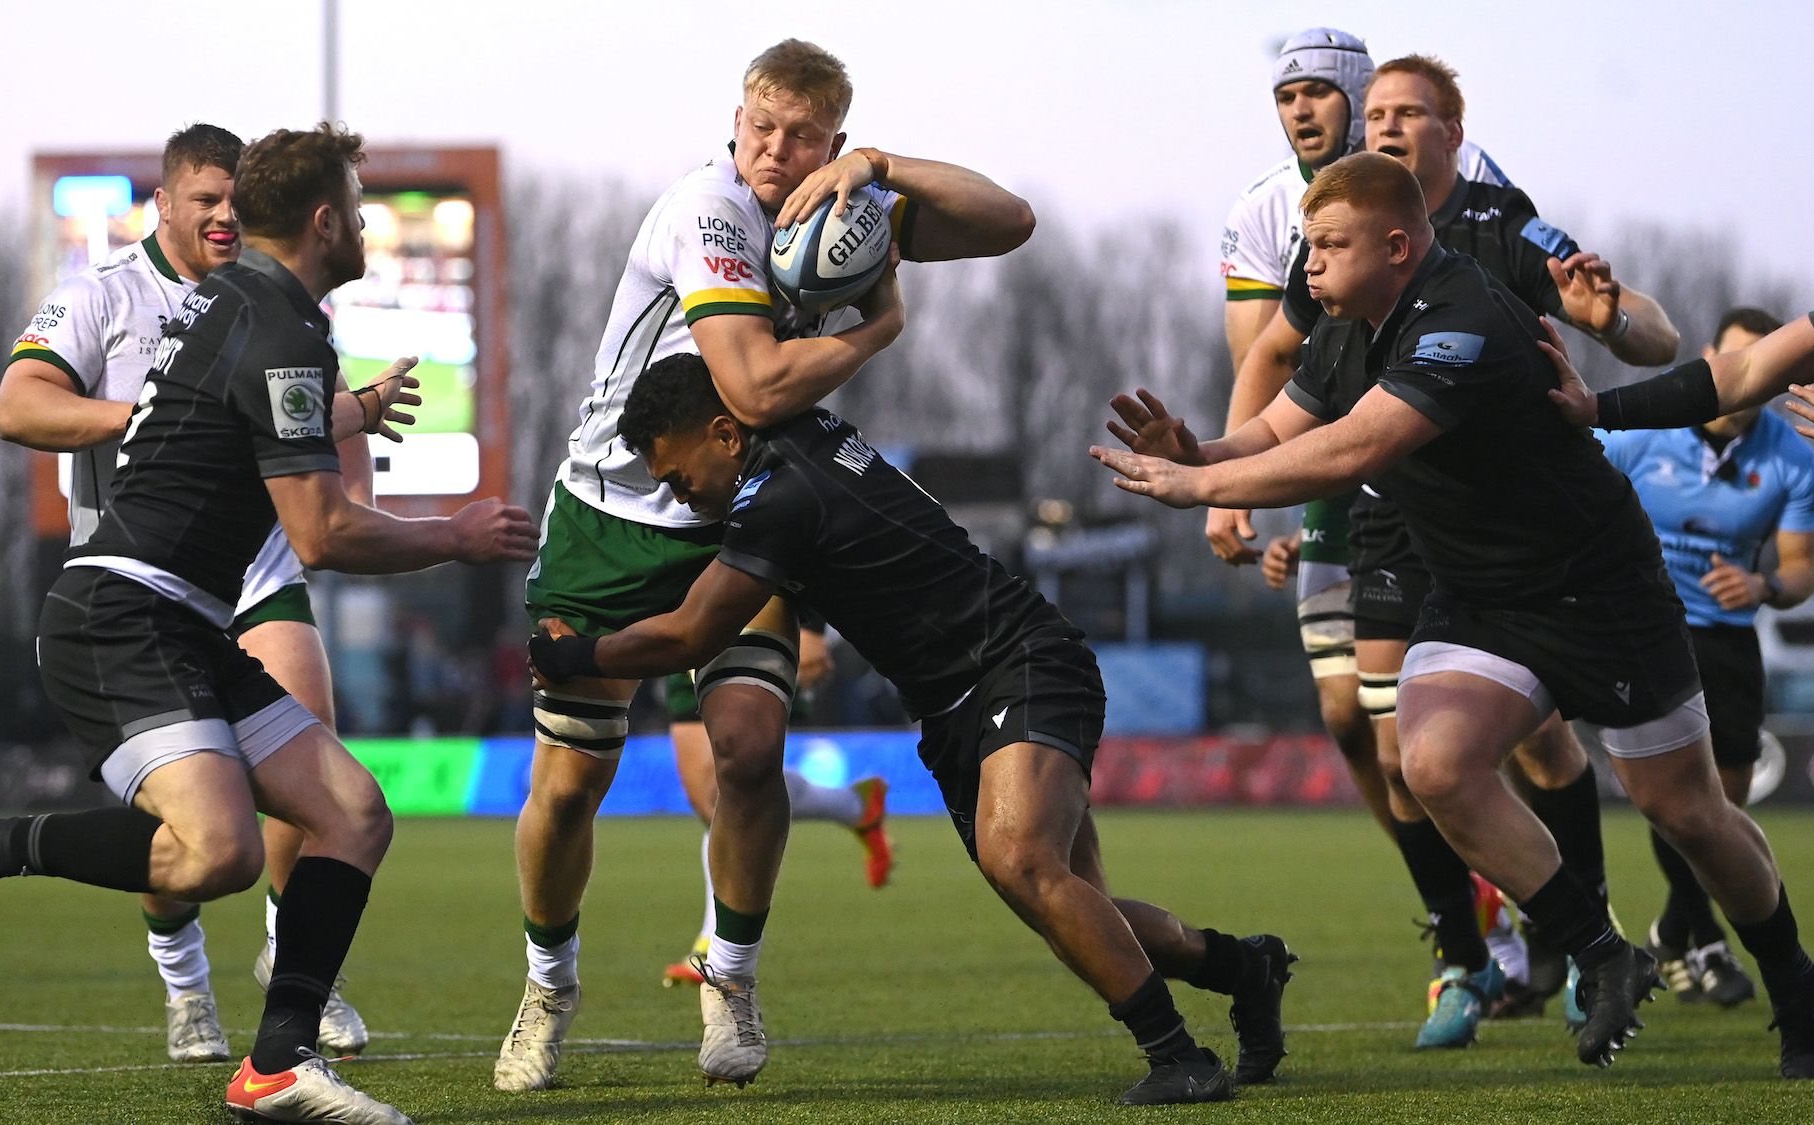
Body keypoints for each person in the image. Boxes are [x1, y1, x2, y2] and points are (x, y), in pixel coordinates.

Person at [1092, 150, 1814, 1078]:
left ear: (1397, 246)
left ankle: (1797, 985)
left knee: (1686, 811)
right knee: (1431, 762)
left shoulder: (1462, 317)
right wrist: (1200, 447)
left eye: (1327, 245)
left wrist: (1198, 485)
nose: (1306, 264)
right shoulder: (1348, 316)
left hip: (1599, 589)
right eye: (1306, 244)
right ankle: (1600, 951)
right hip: (1480, 595)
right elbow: (1285, 429)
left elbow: (1356, 445)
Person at [0, 123, 540, 1124]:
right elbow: (318, 534)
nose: (364, 223)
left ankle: (276, 1064)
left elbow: (247, 437)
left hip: (182, 619)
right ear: (326, 222)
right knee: (218, 855)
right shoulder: (273, 325)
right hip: (120, 614)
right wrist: (452, 533)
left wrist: (347, 412)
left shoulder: (249, 311)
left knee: (353, 814)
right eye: (357, 209)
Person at [529, 351, 1295, 1105]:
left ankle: (1180, 1057)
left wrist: (577, 652)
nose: (683, 499)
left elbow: (692, 634)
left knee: (1022, 861)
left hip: (1016, 658)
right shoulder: (803, 436)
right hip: (955, 701)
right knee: (1070, 904)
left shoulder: (778, 493)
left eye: (678, 477)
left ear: (726, 434)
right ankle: (1243, 968)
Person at [499, 38, 1033, 1092]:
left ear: (828, 139)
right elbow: (745, 390)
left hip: (739, 510)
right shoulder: (708, 210)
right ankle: (546, 985)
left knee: (745, 754)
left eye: (804, 138)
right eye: (763, 130)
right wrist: (877, 326)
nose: (776, 154)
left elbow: (1006, 221)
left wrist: (877, 169)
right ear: (735, 121)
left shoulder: (837, 203)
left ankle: (729, 979)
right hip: (611, 515)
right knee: (569, 785)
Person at [1274, 55, 1681, 1041]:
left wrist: (1609, 321)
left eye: (1406, 112)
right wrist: (1219, 470)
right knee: (1388, 745)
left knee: (1541, 741)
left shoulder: (1501, 226)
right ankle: (1461, 957)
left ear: (1453, 131)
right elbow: (1278, 354)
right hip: (1384, 512)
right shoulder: (1332, 227)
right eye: (1374, 112)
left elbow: (1637, 331)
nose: (1384, 126)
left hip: (1500, 524)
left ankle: (1580, 935)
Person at [0, 122, 386, 1064]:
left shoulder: (282, 309)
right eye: (203, 199)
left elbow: (317, 425)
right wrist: (155, 416)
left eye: (234, 199)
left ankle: (293, 969)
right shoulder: (102, 297)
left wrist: (357, 442)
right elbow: (18, 406)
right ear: (164, 205)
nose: (222, 214)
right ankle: (183, 978)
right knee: (198, 832)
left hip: (253, 569)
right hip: (139, 574)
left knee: (325, 772)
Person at [1215, 28, 1510, 845]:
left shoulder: (1455, 186)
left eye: (1317, 90)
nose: (1299, 108)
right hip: (1336, 463)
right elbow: (1263, 356)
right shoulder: (1261, 209)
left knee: (1491, 721)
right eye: (1284, 95)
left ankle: (1541, 901)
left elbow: (1511, 287)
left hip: (1441, 457)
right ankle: (1465, 925)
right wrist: (1242, 484)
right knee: (1351, 716)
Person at [1596, 307, 1814, 1008]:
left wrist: (1762, 584)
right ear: (1709, 361)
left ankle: (1674, 928)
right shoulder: (1643, 431)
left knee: (1722, 809)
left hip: (1729, 638)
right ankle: (1712, 946)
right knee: (1676, 803)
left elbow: (1801, 570)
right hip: (1646, 628)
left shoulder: (1792, 456)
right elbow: (1577, 495)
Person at [657, 623, 893, 989]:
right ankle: (854, 805)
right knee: (707, 799)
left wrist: (812, 625)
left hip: (759, 612)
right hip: (688, 615)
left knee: (728, 789)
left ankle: (714, 947)